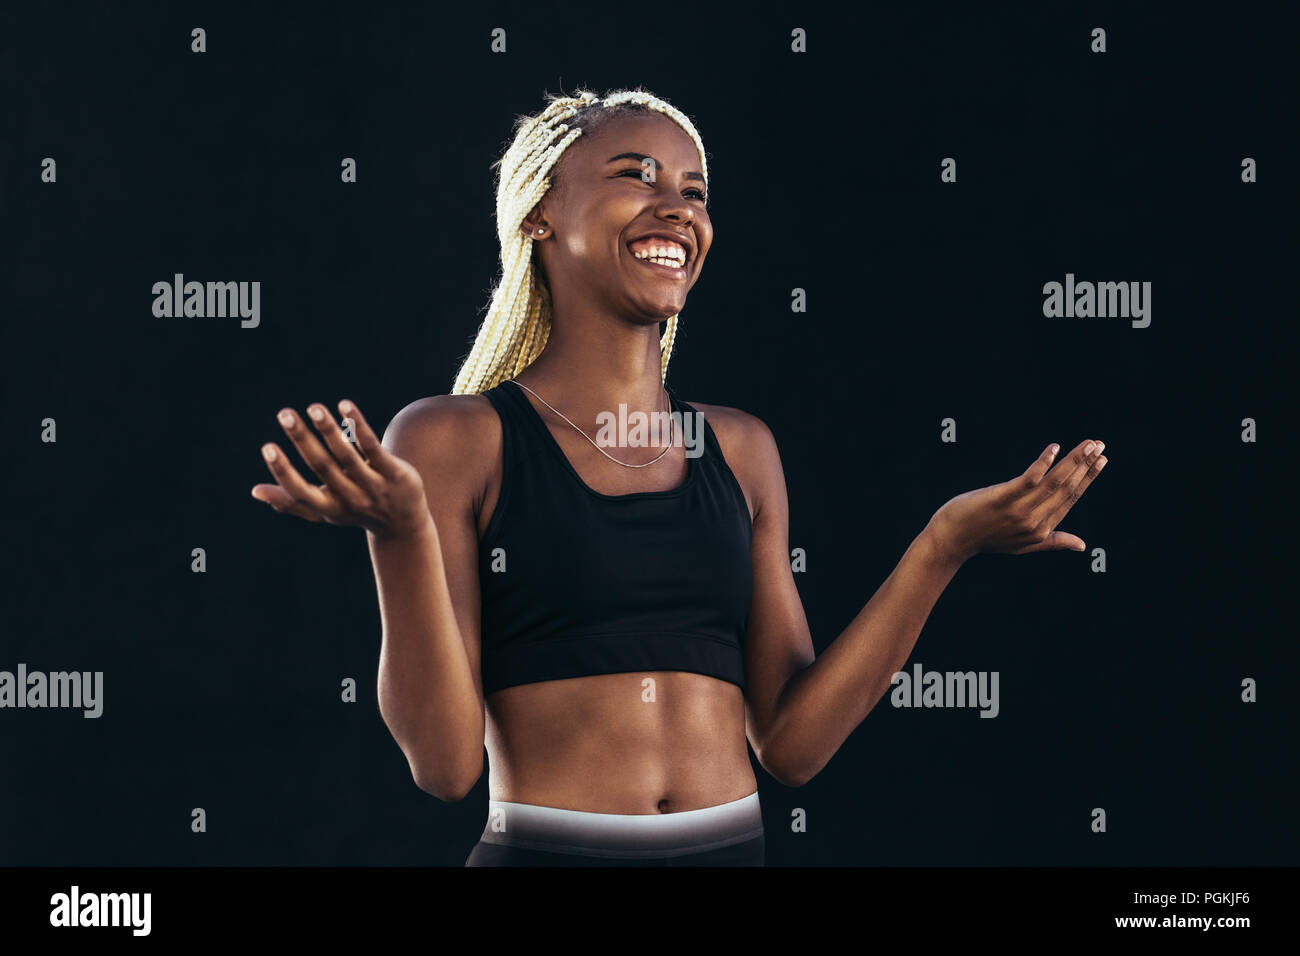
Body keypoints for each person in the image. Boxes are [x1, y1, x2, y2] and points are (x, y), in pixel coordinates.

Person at [249, 87, 1109, 866]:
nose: (677, 209)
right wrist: (399, 536)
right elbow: (443, 767)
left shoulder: (740, 450)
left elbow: (792, 746)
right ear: (542, 213)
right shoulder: (456, 438)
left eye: (695, 192)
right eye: (638, 176)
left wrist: (942, 547)